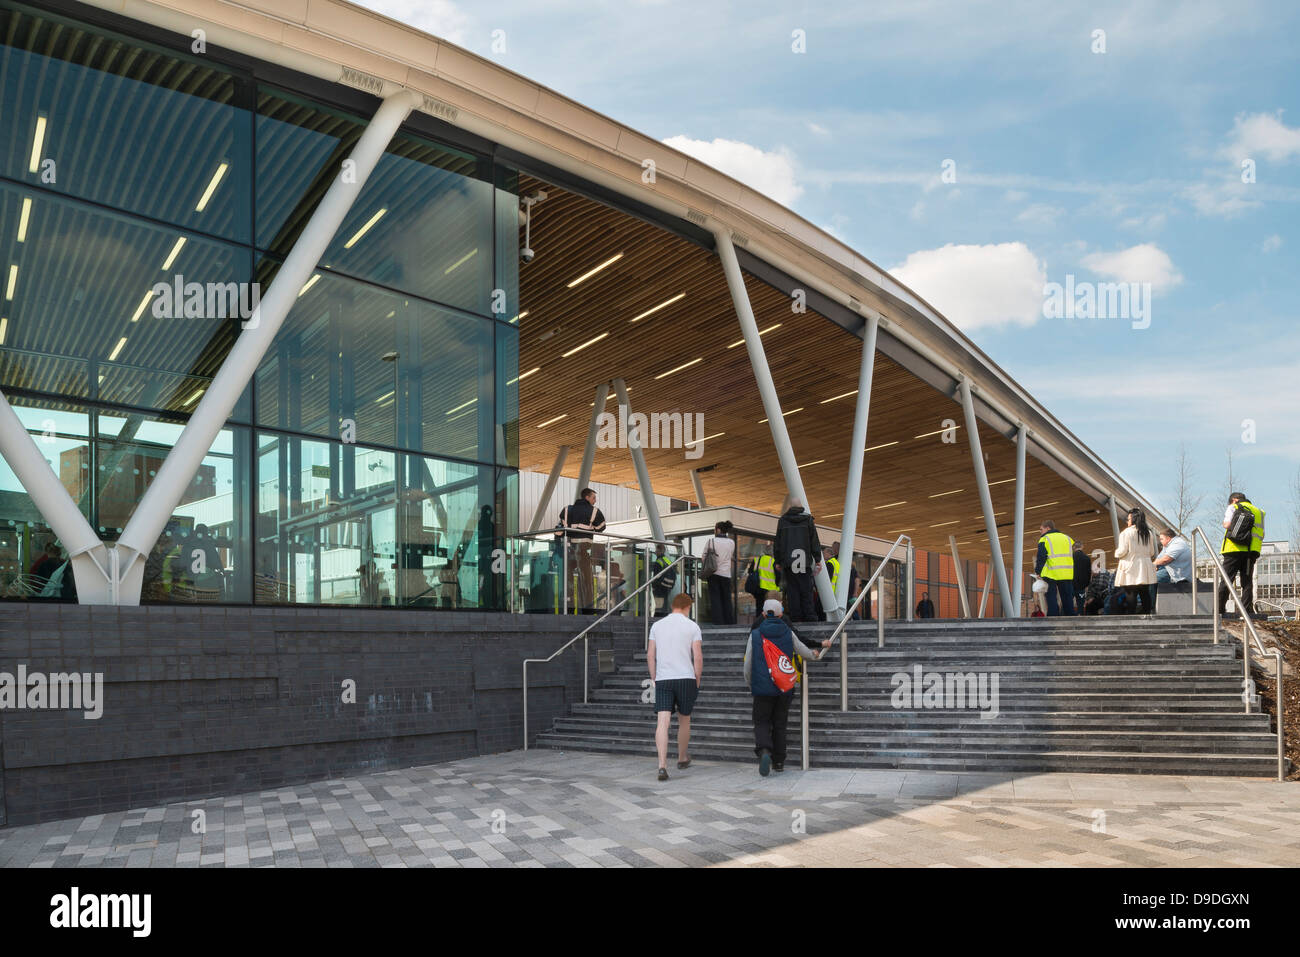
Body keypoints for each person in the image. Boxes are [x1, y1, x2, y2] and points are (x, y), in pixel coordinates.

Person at [743, 598, 830, 775]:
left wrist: (750, 683)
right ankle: (779, 762)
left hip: (762, 688)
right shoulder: (787, 632)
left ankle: (764, 751)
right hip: (784, 687)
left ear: (763, 614)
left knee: (761, 722)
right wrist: (816, 653)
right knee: (780, 724)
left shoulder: (756, 634)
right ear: (781, 614)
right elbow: (804, 652)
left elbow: (748, 663)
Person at [647, 592, 703, 781]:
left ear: (673, 606)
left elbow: (650, 654)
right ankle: (681, 758)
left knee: (662, 722)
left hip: (664, 679)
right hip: (686, 678)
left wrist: (654, 676)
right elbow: (698, 656)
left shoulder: (657, 626)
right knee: (684, 720)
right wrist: (697, 678)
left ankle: (662, 766)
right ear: (687, 607)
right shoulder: (692, 626)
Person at [557, 488, 606, 613]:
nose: (595, 500)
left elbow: (561, 527)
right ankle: (587, 608)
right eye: (593, 497)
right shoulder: (593, 511)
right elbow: (601, 527)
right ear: (587, 497)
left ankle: (569, 606)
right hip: (583, 550)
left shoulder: (567, 510)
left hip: (569, 550)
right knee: (586, 579)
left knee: (568, 580)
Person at [774, 500, 824, 622]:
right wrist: (817, 558)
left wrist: (778, 560)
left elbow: (778, 542)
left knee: (792, 591)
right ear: (801, 507)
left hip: (789, 562)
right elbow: (814, 541)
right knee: (806, 590)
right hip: (804, 561)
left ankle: (795, 617)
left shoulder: (783, 520)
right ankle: (810, 616)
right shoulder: (808, 520)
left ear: (790, 507)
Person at [1219, 492, 1265, 618]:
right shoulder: (1259, 512)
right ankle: (1245, 610)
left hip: (1233, 548)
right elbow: (1262, 533)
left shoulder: (1233, 507)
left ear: (1234, 500)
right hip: (1251, 551)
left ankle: (1219, 609)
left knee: (1227, 579)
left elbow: (1227, 525)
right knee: (1247, 581)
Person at [1114, 507, 1158, 615]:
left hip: (1131, 565)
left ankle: (1131, 616)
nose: (1127, 521)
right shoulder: (1149, 533)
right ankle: (1148, 615)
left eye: (1128, 519)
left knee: (1131, 593)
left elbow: (1122, 551)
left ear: (1133, 519)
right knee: (1144, 593)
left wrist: (1116, 553)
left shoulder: (1126, 533)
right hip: (1145, 566)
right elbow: (1152, 552)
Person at [1033, 520, 1076, 617]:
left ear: (1048, 528)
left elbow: (1041, 557)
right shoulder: (1068, 538)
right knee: (1067, 597)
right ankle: (1070, 616)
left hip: (1051, 573)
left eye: (1041, 529)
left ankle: (1053, 616)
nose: (1040, 531)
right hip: (1066, 572)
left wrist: (1038, 571)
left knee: (1051, 596)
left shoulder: (1045, 539)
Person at [703, 520, 737, 626]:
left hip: (714, 573)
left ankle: (718, 622)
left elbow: (704, 557)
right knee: (726, 599)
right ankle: (729, 621)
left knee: (715, 598)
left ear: (718, 530)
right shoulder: (732, 542)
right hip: (726, 574)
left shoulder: (711, 541)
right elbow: (730, 556)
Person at [650, 544, 678, 617]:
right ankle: (664, 617)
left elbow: (656, 576)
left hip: (660, 587)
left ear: (659, 551)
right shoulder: (668, 560)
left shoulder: (658, 561)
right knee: (664, 604)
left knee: (659, 605)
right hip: (668, 586)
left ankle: (657, 618)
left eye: (656, 550)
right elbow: (674, 573)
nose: (655, 552)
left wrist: (653, 587)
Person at [1072, 542, 1091, 615]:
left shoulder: (1070, 557)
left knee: (1068, 602)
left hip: (1071, 583)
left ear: (1074, 548)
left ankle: (1068, 616)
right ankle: (1081, 616)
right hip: (1081, 585)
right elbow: (1088, 572)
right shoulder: (1086, 558)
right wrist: (1086, 584)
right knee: (1080, 603)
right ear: (1082, 547)